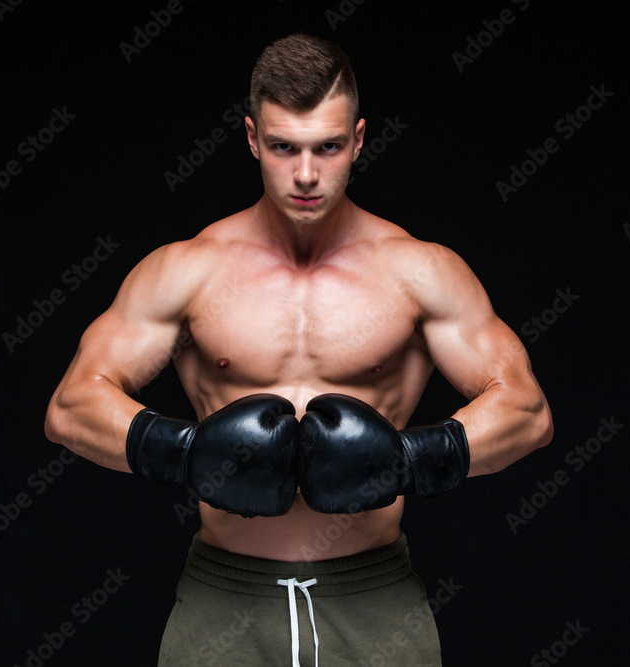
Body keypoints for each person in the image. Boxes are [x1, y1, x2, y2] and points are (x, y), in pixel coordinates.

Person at [44, 33, 553, 666]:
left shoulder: (419, 271)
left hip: (374, 601)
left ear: (359, 140)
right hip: (223, 601)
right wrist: (185, 452)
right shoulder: (189, 270)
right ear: (252, 138)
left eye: (328, 147)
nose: (306, 174)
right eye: (284, 147)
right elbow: (71, 405)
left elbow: (527, 410)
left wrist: (409, 459)